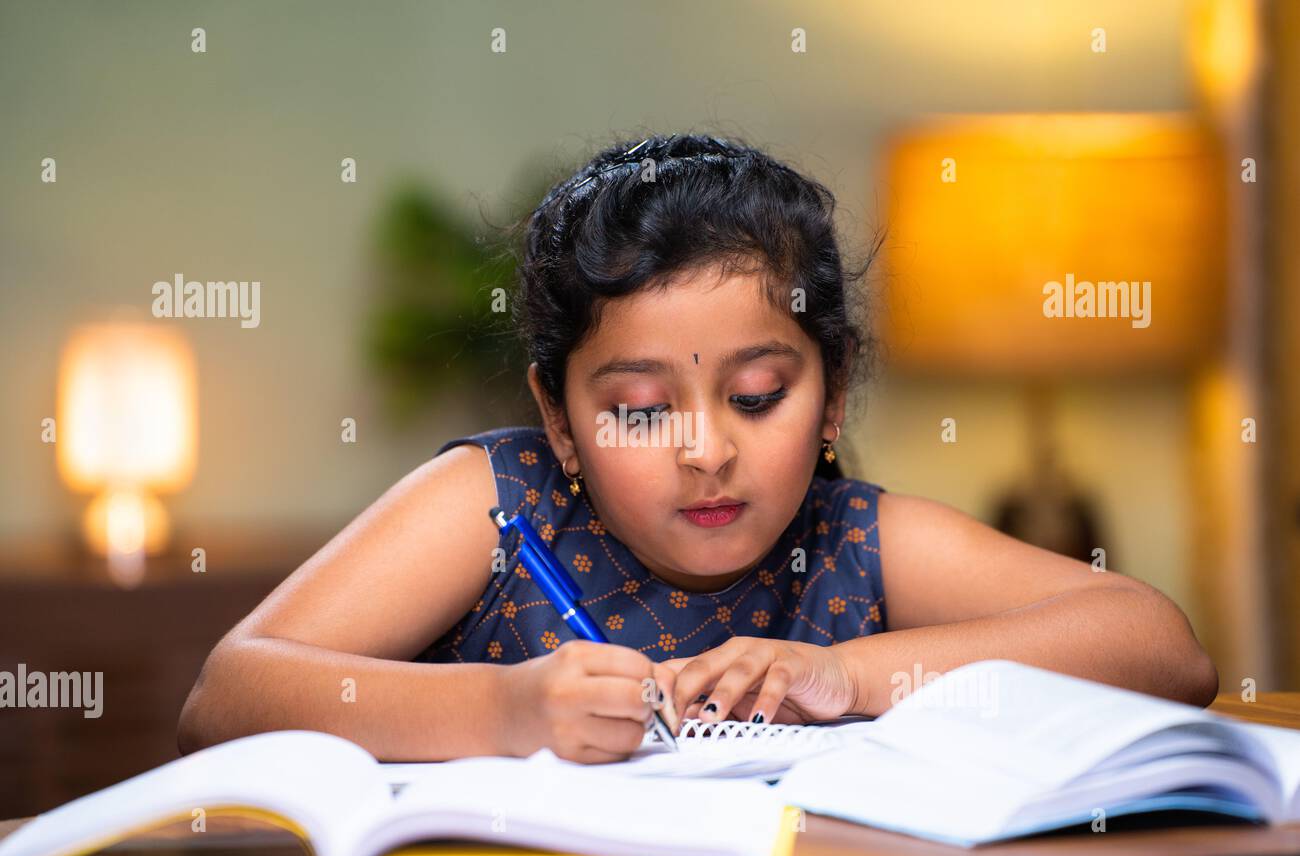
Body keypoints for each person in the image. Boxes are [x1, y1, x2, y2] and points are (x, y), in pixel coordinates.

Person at [178, 133, 1218, 765]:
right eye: (638, 408)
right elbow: (225, 697)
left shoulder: (853, 536)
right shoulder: (495, 504)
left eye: (758, 394)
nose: (706, 449)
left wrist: (845, 673)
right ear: (558, 416)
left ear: (832, 391)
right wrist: (505, 707)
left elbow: (1160, 648)